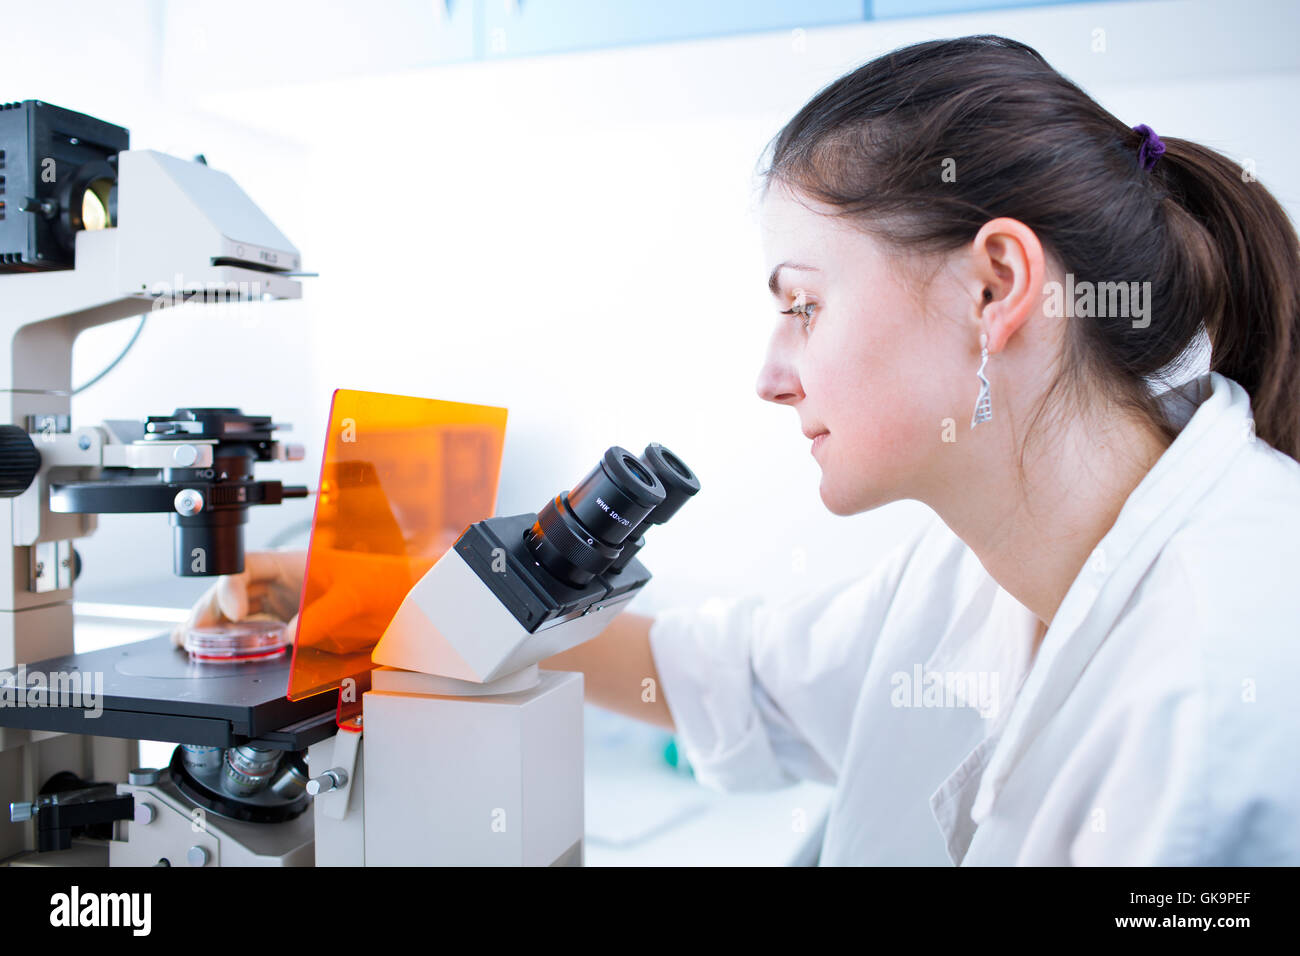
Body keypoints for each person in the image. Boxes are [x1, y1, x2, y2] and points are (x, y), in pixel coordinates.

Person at [176, 35, 1300, 865]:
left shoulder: (1215, 694)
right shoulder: (978, 561)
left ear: (993, 286)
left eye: (803, 305)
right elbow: (744, 684)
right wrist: (411, 598)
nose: (770, 374)